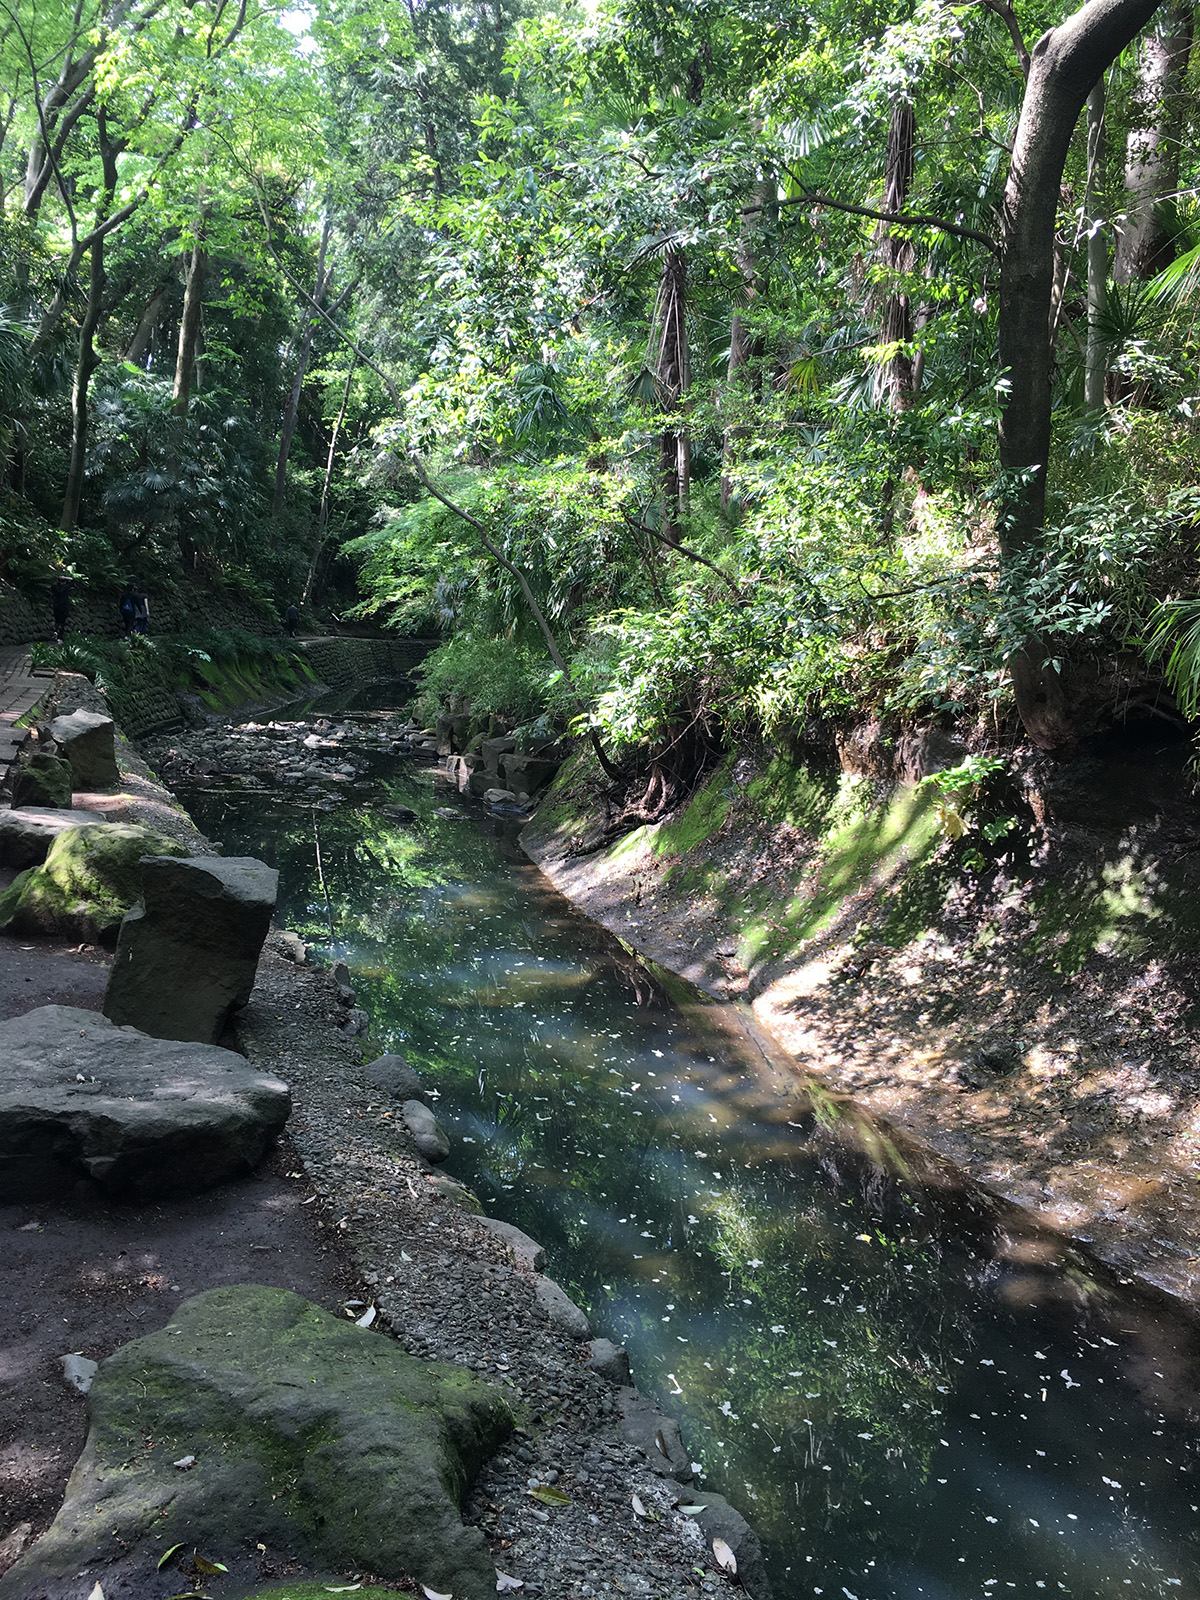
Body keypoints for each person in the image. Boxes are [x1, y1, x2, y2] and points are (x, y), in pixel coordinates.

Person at [50, 572, 73, 642]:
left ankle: (55, 632)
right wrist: (67, 578)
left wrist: (59, 579)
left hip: (56, 605)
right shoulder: (66, 586)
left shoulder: (54, 586)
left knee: (57, 621)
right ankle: (60, 636)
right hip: (64, 606)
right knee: (62, 622)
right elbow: (73, 581)